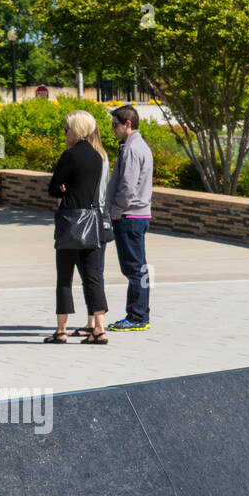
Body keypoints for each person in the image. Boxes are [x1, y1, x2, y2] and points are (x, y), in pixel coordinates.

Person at [46, 110, 109, 345]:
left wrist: (61, 187)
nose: (65, 134)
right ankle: (99, 329)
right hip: (91, 221)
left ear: (75, 130)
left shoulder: (69, 156)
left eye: (67, 129)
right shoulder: (97, 157)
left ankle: (61, 330)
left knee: (65, 278)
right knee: (93, 277)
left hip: (70, 222)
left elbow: (53, 187)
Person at [105, 104, 153, 332]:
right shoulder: (138, 146)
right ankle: (141, 313)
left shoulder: (132, 149)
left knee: (134, 269)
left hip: (130, 215)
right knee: (139, 268)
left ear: (128, 124)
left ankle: (136, 316)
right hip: (137, 214)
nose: (113, 129)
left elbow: (127, 186)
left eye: (115, 125)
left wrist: (116, 210)